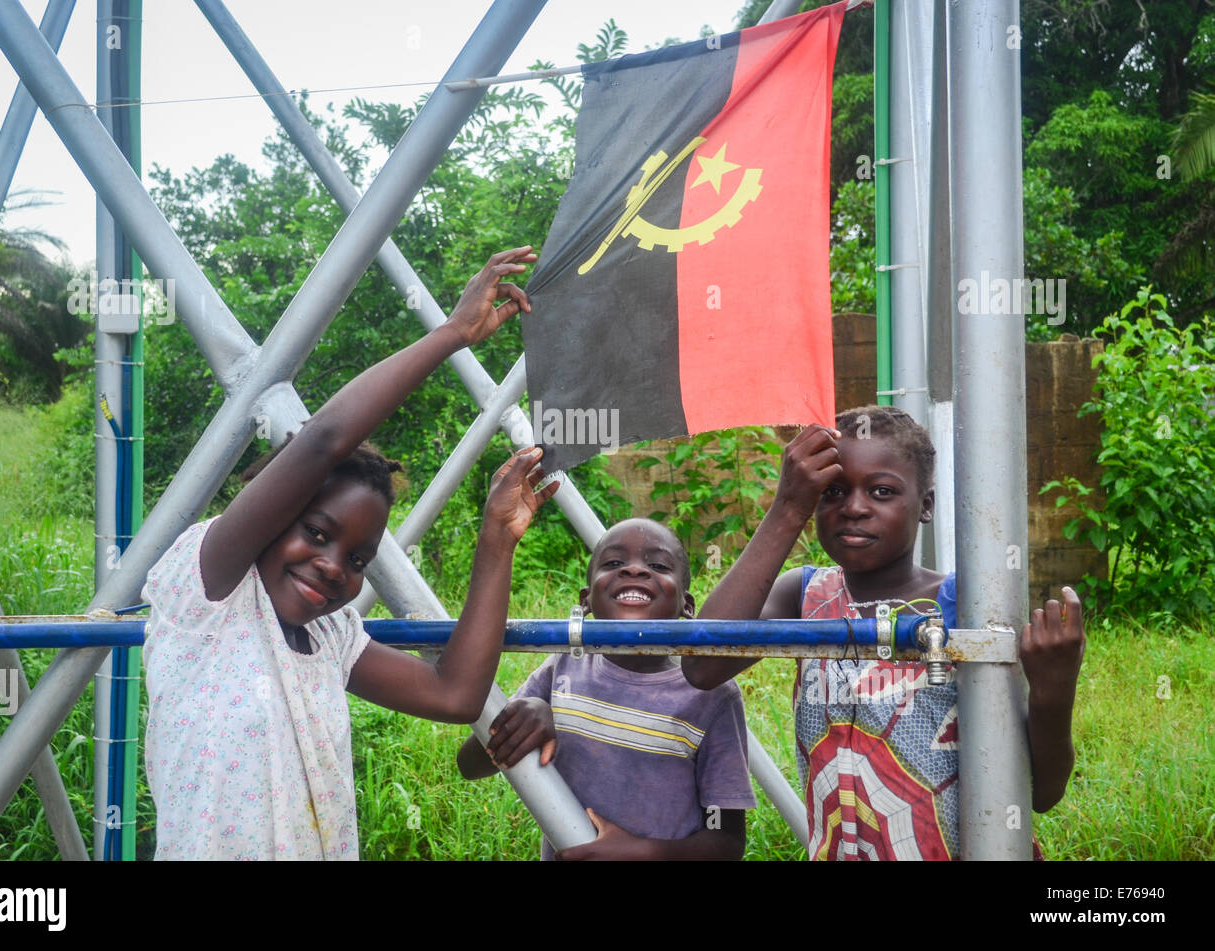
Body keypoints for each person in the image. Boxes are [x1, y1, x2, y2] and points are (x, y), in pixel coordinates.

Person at [142, 247, 558, 860]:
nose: (336, 566)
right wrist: (450, 335)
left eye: (358, 559)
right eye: (315, 532)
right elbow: (322, 443)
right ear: (273, 510)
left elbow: (455, 695)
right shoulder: (211, 590)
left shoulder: (333, 636)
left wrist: (497, 537)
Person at [683, 406, 1085, 860]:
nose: (853, 508)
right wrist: (787, 508)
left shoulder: (965, 605)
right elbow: (702, 663)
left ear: (925, 505)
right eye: (832, 492)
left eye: (881, 491)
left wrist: (1054, 691)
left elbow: (1041, 793)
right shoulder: (805, 596)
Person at [456, 518, 756, 860]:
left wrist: (641, 853)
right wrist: (523, 717)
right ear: (586, 600)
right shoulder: (563, 668)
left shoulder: (712, 696)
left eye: (657, 565)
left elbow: (726, 840)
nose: (633, 570)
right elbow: (470, 765)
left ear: (687, 607)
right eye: (614, 563)